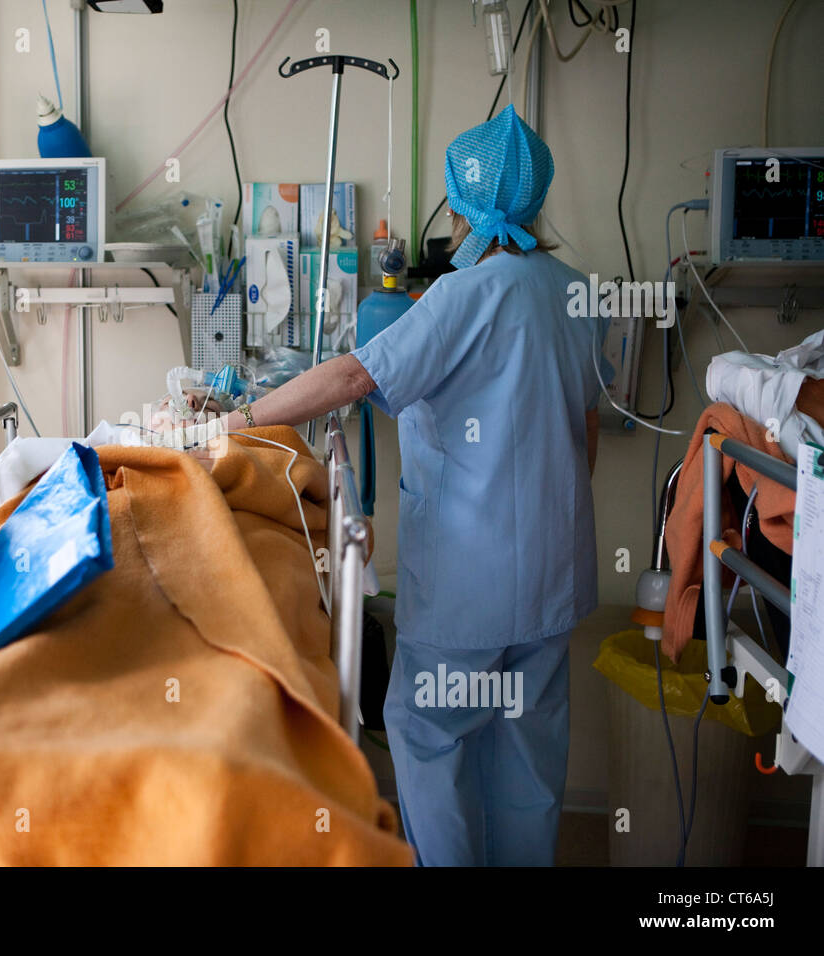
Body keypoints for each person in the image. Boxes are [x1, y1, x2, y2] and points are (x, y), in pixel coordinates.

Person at [215, 105, 609, 865]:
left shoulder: (463, 297)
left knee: (429, 734)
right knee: (525, 747)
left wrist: (241, 419)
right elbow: (583, 427)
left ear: (462, 208)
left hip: (472, 583)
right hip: (556, 579)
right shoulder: (577, 294)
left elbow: (357, 374)